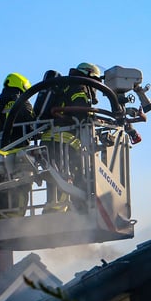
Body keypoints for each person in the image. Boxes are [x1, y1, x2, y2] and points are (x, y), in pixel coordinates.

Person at [42, 63, 102, 212]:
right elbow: (81, 112)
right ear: (89, 76)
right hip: (64, 142)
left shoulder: (65, 86)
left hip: (51, 140)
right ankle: (57, 215)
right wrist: (94, 119)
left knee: (56, 181)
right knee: (64, 179)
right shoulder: (79, 87)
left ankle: (56, 211)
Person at [0, 72, 35, 219]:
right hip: (20, 153)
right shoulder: (22, 102)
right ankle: (16, 216)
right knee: (22, 186)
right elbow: (32, 126)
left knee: (4, 186)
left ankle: (6, 215)